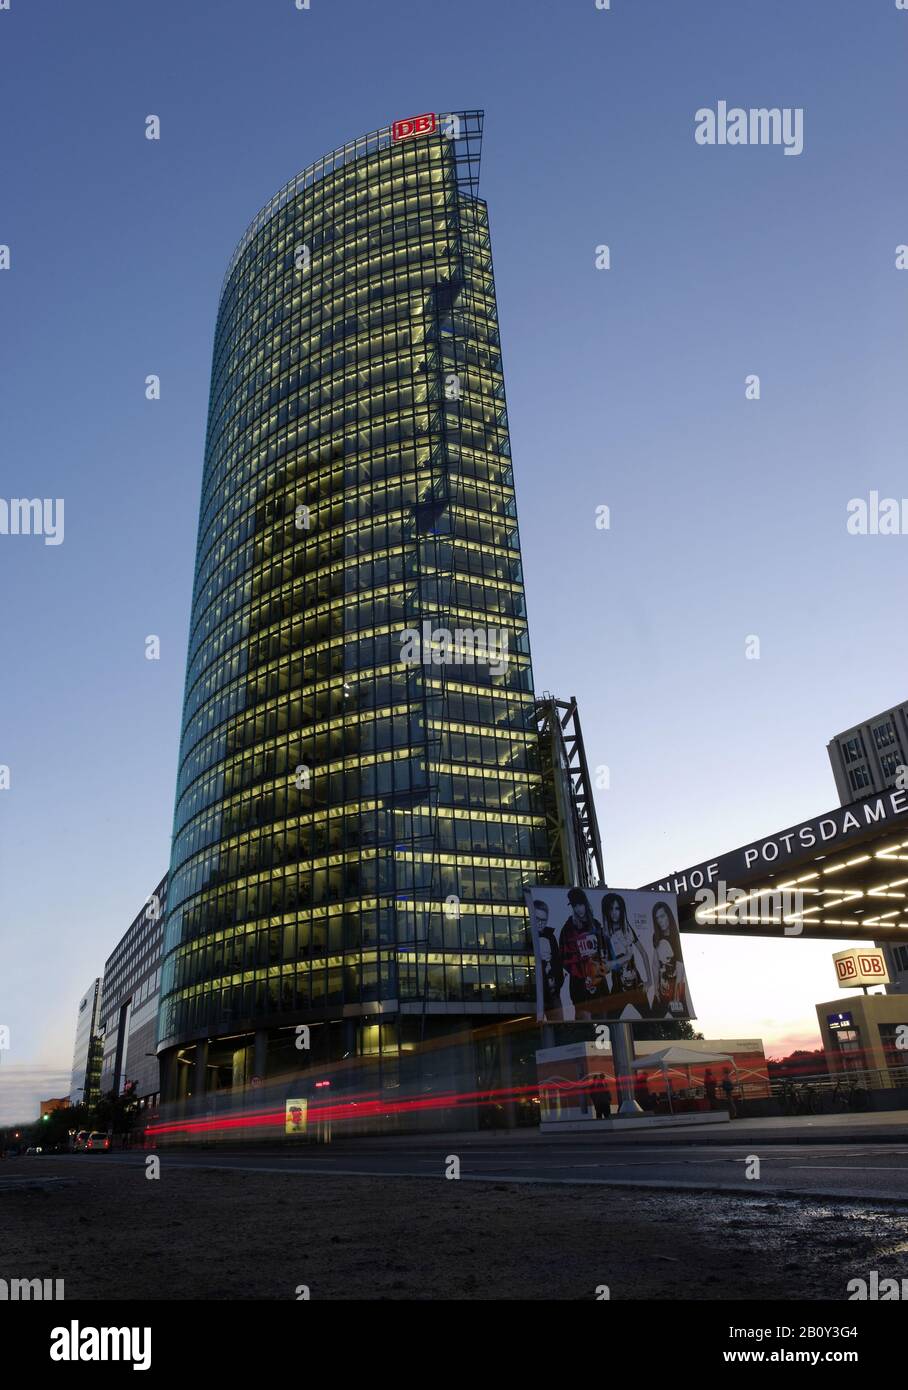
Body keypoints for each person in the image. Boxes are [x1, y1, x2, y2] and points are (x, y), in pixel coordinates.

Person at [559, 888, 609, 1019]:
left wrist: (601, 968)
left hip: (598, 981)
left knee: (604, 1020)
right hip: (579, 984)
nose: (579, 909)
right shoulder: (568, 928)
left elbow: (605, 951)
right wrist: (583, 974)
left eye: (580, 905)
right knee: (584, 1021)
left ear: (585, 904)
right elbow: (564, 960)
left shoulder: (596, 925)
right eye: (575, 906)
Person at [532, 898, 564, 1020]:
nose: (540, 923)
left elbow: (558, 962)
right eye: (537, 919)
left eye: (543, 920)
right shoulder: (528, 938)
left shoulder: (551, 938)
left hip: (553, 992)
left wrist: (556, 983)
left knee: (558, 1024)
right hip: (537, 992)